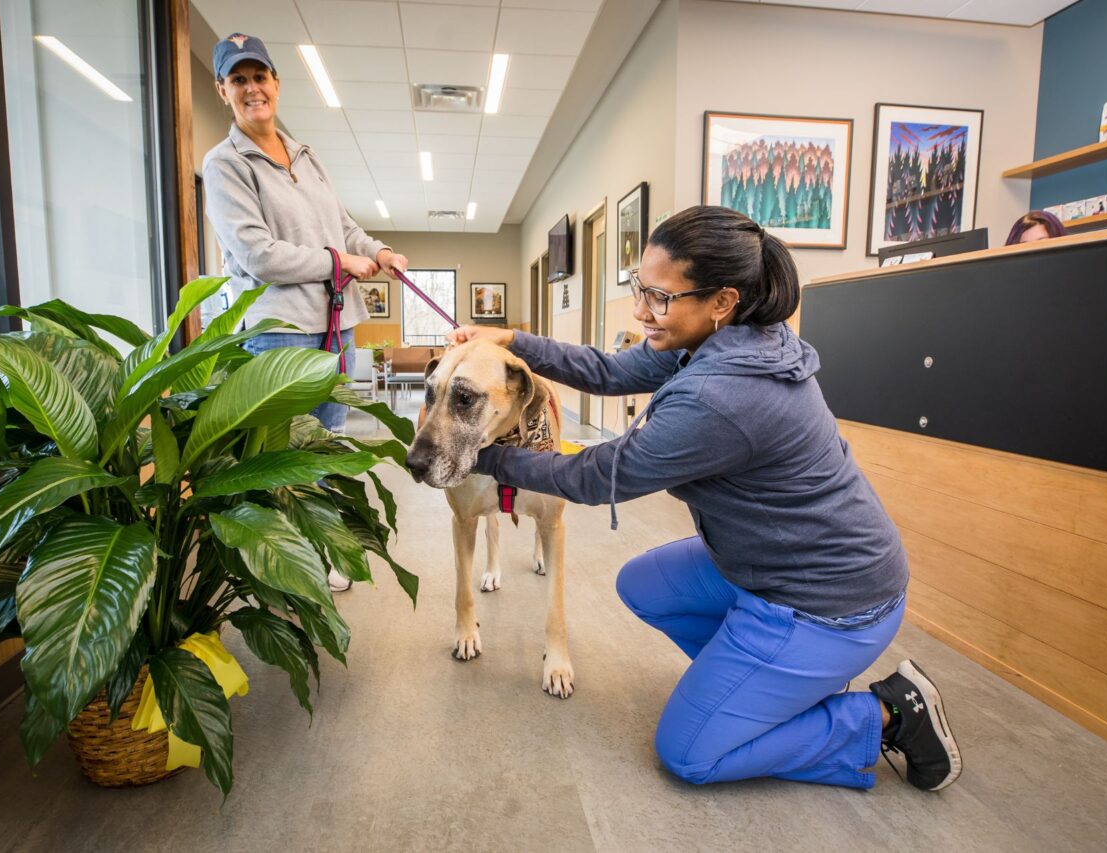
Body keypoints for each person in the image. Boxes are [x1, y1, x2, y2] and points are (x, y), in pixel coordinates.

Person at [449, 206, 962, 792]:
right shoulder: (715, 335)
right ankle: (769, 691)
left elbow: (596, 476)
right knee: (643, 585)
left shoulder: (724, 395)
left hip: (830, 597)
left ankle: (888, 715)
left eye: (659, 298)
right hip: (765, 565)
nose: (642, 311)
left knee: (689, 754)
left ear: (721, 300)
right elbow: (609, 370)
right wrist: (509, 338)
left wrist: (481, 454)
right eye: (640, 288)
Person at [203, 33, 408, 591]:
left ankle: (317, 551)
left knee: (327, 445)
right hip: (280, 333)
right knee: (282, 457)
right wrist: (336, 261)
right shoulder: (225, 164)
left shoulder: (305, 155)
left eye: (259, 76)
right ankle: (285, 568)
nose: (252, 89)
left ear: (275, 82)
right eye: (238, 80)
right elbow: (256, 254)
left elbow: (343, 227)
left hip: (335, 327)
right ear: (223, 91)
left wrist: (377, 252)